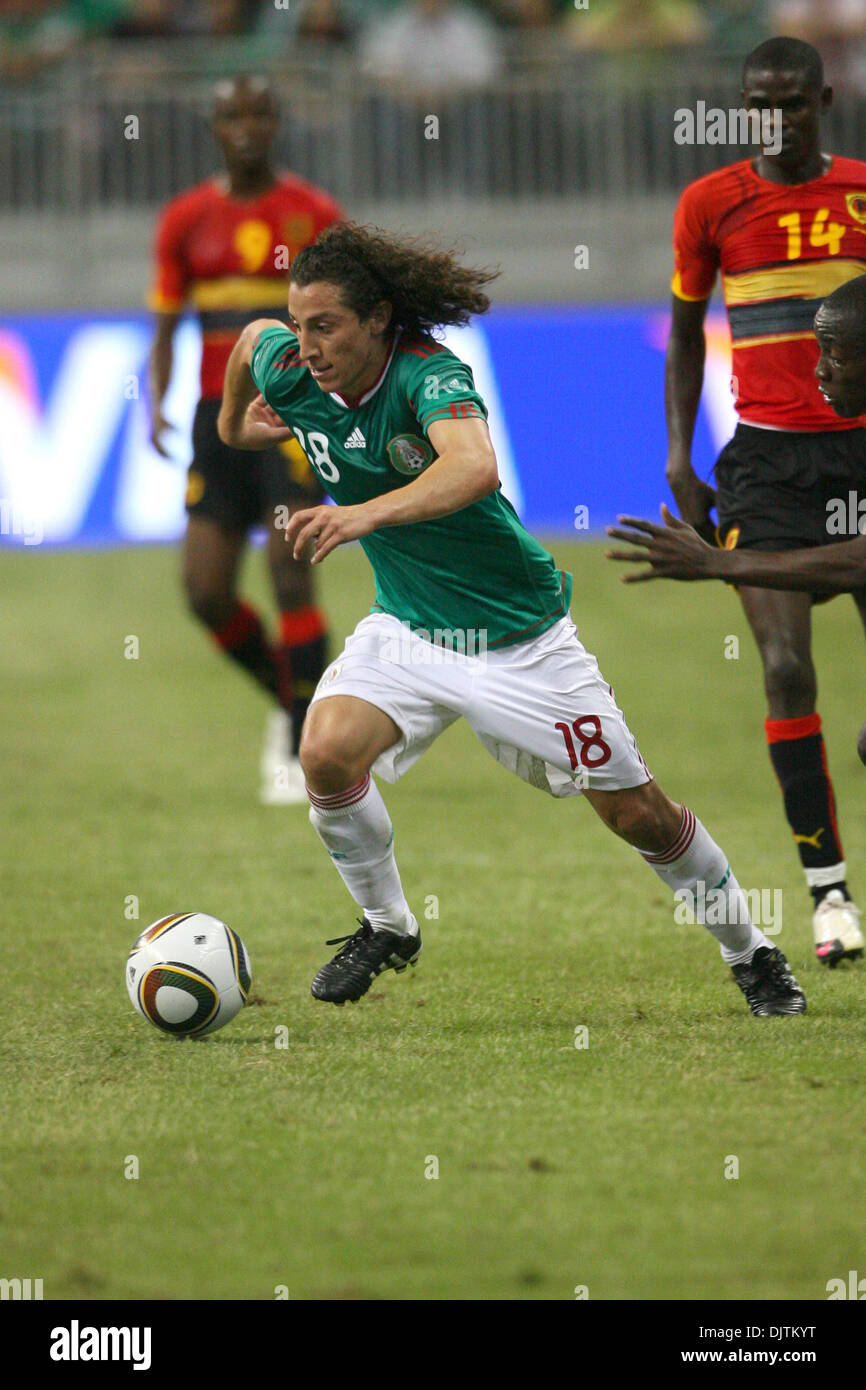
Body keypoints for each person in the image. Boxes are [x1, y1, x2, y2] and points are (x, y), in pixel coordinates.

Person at [216, 221, 805, 1018]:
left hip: (522, 643)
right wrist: (235, 421)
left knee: (638, 813)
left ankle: (754, 953)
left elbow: (472, 465)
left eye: (327, 325)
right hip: (409, 631)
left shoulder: (429, 376)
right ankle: (388, 925)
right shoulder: (286, 362)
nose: (308, 343)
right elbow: (251, 340)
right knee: (323, 754)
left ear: (379, 318)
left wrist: (362, 516)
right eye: (301, 322)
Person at [665, 36, 866, 967]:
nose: (772, 118)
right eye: (757, 103)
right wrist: (679, 455)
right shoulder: (711, 204)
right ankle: (828, 896)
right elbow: (685, 336)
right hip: (767, 466)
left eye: (789, 102)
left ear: (823, 97)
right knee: (787, 669)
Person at [148, 75, 343, 804]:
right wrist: (156, 401)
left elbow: (346, 318)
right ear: (213, 124)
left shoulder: (313, 213)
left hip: (293, 416)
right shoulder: (185, 219)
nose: (247, 126)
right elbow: (167, 324)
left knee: (291, 572)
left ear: (278, 120)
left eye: (260, 112)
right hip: (216, 418)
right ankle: (299, 702)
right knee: (204, 591)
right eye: (232, 114)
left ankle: (306, 743)